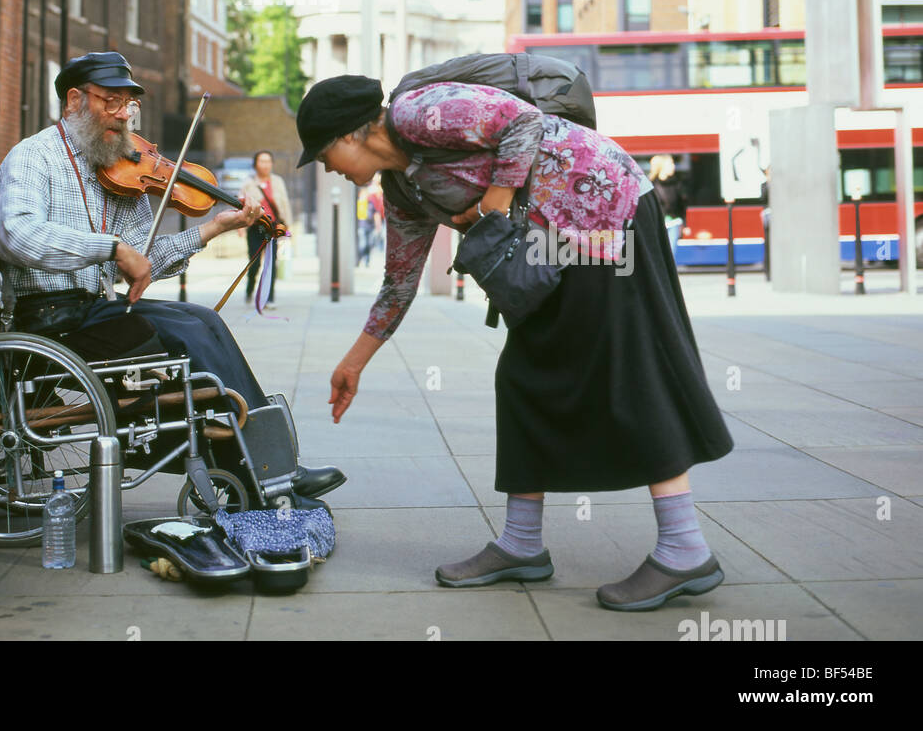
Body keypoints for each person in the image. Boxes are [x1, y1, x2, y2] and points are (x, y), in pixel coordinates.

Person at [295, 73, 735, 611]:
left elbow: (521, 121)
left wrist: (493, 204)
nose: (330, 171)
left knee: (628, 371)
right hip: (551, 245)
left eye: (323, 157)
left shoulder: (418, 113)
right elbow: (399, 282)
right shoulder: (404, 190)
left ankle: (684, 548)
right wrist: (353, 363)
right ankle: (522, 544)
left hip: (605, 215)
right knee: (523, 377)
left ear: (350, 136)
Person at [0, 50, 345, 500]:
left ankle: (268, 460)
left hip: (92, 311)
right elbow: (16, 235)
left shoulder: (117, 163)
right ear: (74, 101)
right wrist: (110, 247)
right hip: (48, 319)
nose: (123, 116)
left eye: (129, 105)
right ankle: (258, 466)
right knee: (190, 339)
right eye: (111, 102)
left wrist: (213, 229)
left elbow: (141, 262)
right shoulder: (34, 157)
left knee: (206, 320)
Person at [241, 150, 291, 305]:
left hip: (273, 227)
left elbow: (285, 204)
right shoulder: (249, 183)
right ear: (255, 164)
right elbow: (241, 205)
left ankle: (269, 297)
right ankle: (250, 288)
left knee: (271, 262)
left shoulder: (277, 181)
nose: (265, 165)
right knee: (254, 263)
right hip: (256, 227)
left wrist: (288, 227)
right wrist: (240, 227)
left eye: (268, 161)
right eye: (262, 161)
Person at [648, 155, 688, 259]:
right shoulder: (652, 185)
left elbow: (682, 206)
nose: (673, 166)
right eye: (670, 164)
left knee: (671, 254)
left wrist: (685, 224)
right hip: (658, 224)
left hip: (674, 222)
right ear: (662, 166)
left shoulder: (677, 183)